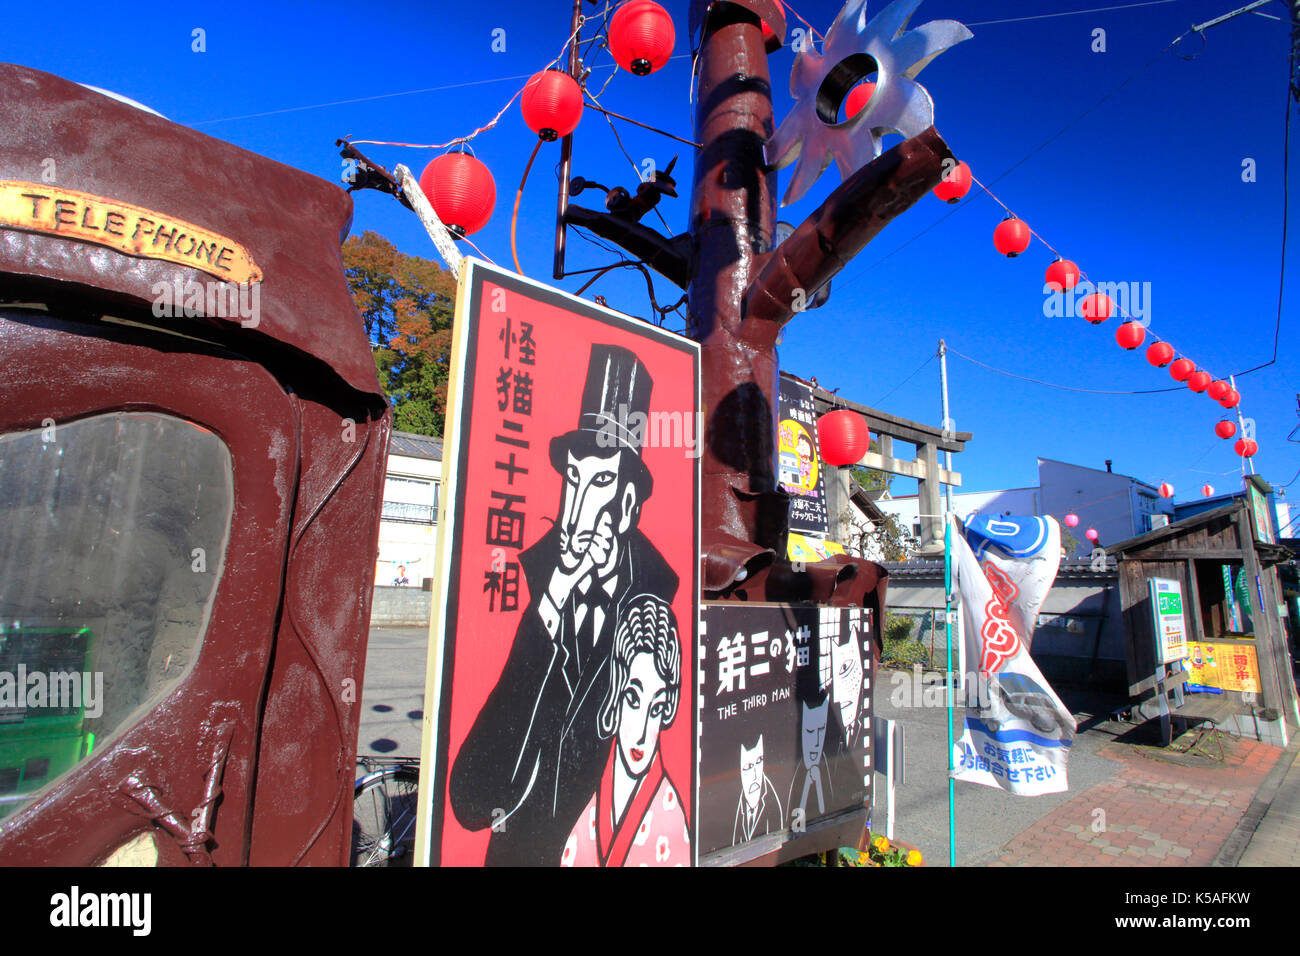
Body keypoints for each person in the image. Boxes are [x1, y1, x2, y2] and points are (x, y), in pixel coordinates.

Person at [450, 345, 678, 866]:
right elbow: (472, 795)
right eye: (573, 479)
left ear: (625, 507)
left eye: (598, 482)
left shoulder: (656, 600)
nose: (573, 516)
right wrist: (553, 598)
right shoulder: (536, 583)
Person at [560, 594, 689, 866]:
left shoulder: (669, 813)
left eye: (655, 709)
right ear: (615, 694)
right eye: (633, 699)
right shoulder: (586, 799)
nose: (641, 733)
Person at [733, 734, 783, 845]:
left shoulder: (772, 803)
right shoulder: (736, 805)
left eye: (759, 761)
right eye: (748, 767)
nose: (755, 775)